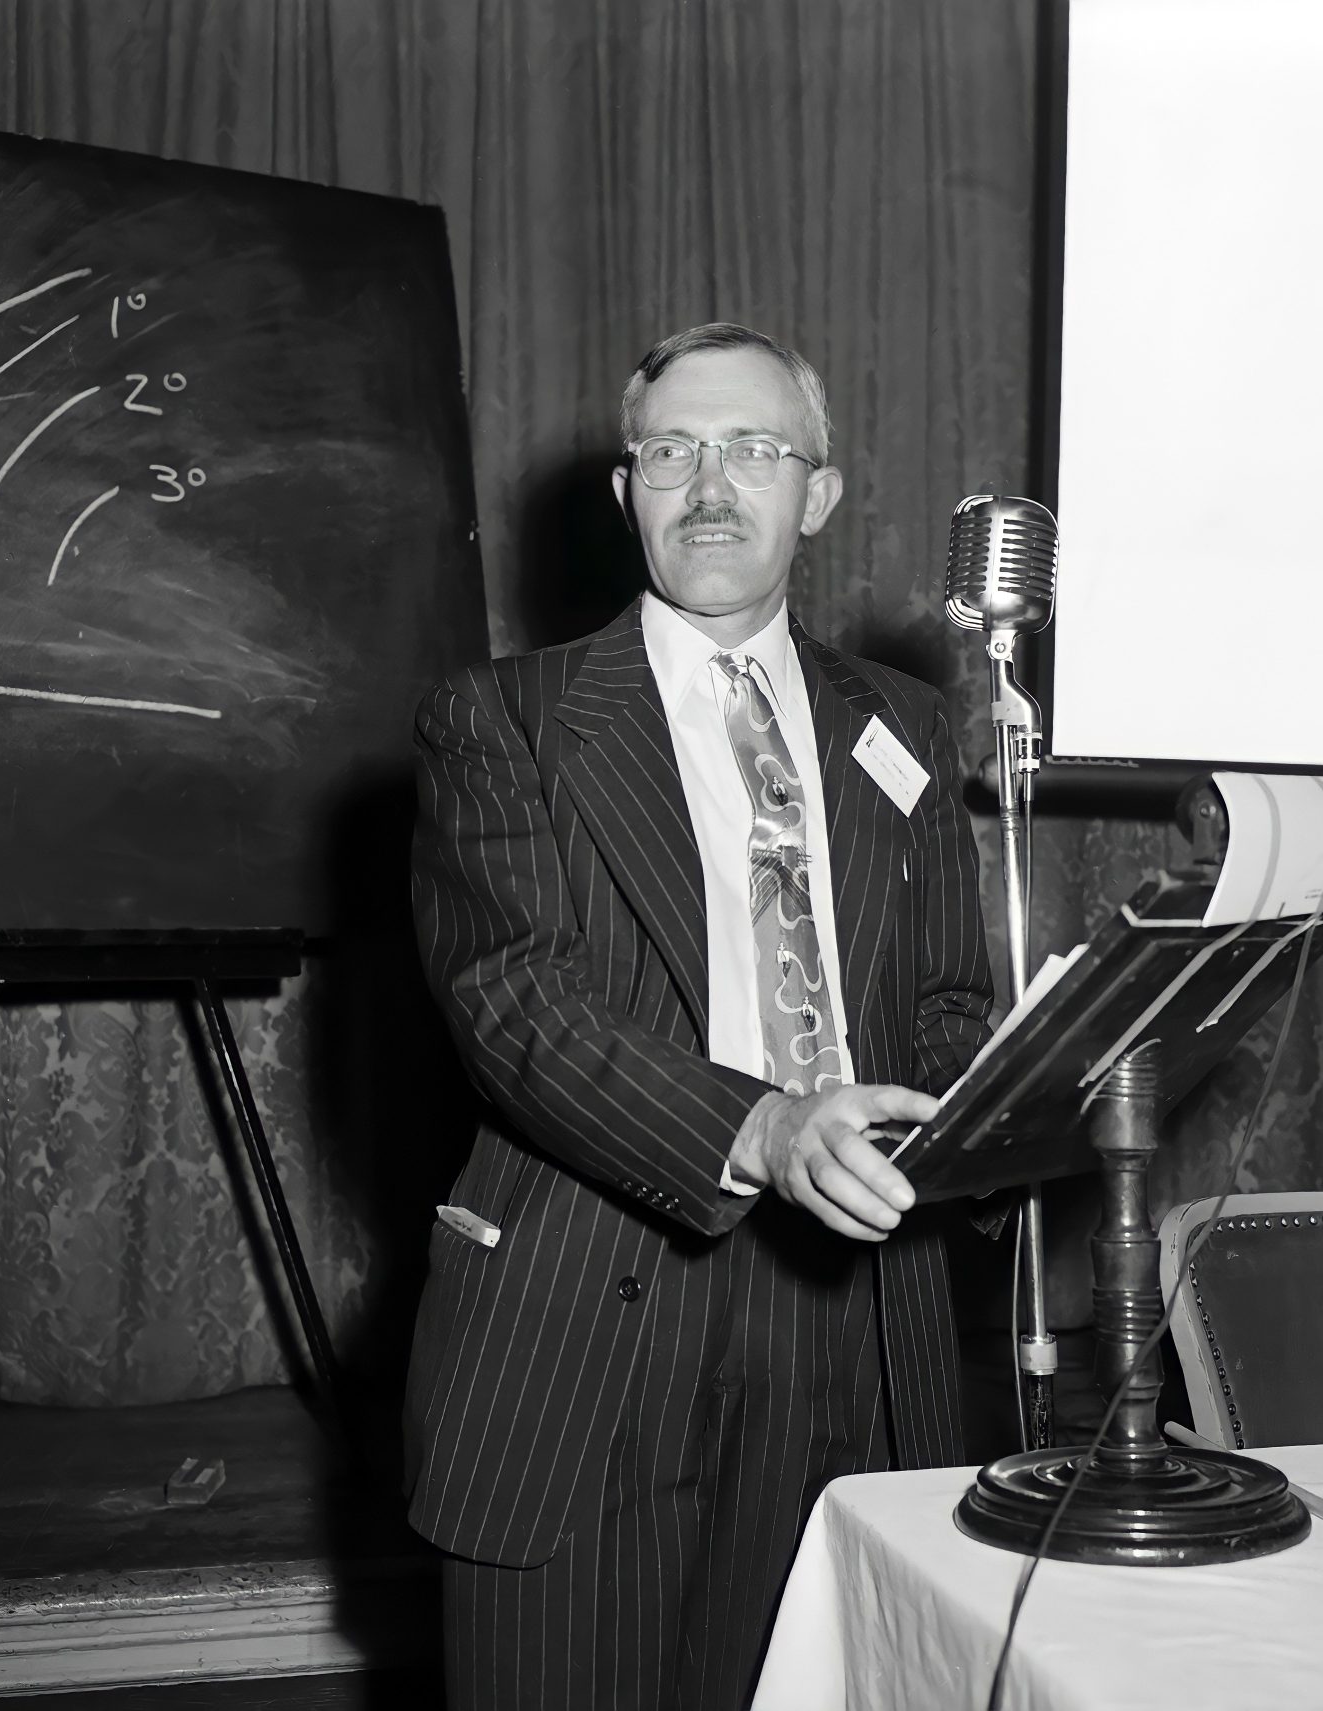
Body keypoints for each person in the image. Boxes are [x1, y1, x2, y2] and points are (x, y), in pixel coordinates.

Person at [406, 322, 994, 1710]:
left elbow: (950, 999)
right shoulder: (504, 719)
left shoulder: (907, 723)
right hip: (593, 1303)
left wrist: (1018, 1102)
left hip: (864, 1306)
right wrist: (767, 1130)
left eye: (754, 449)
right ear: (627, 494)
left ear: (819, 495)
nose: (711, 484)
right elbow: (512, 1001)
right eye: (671, 450)